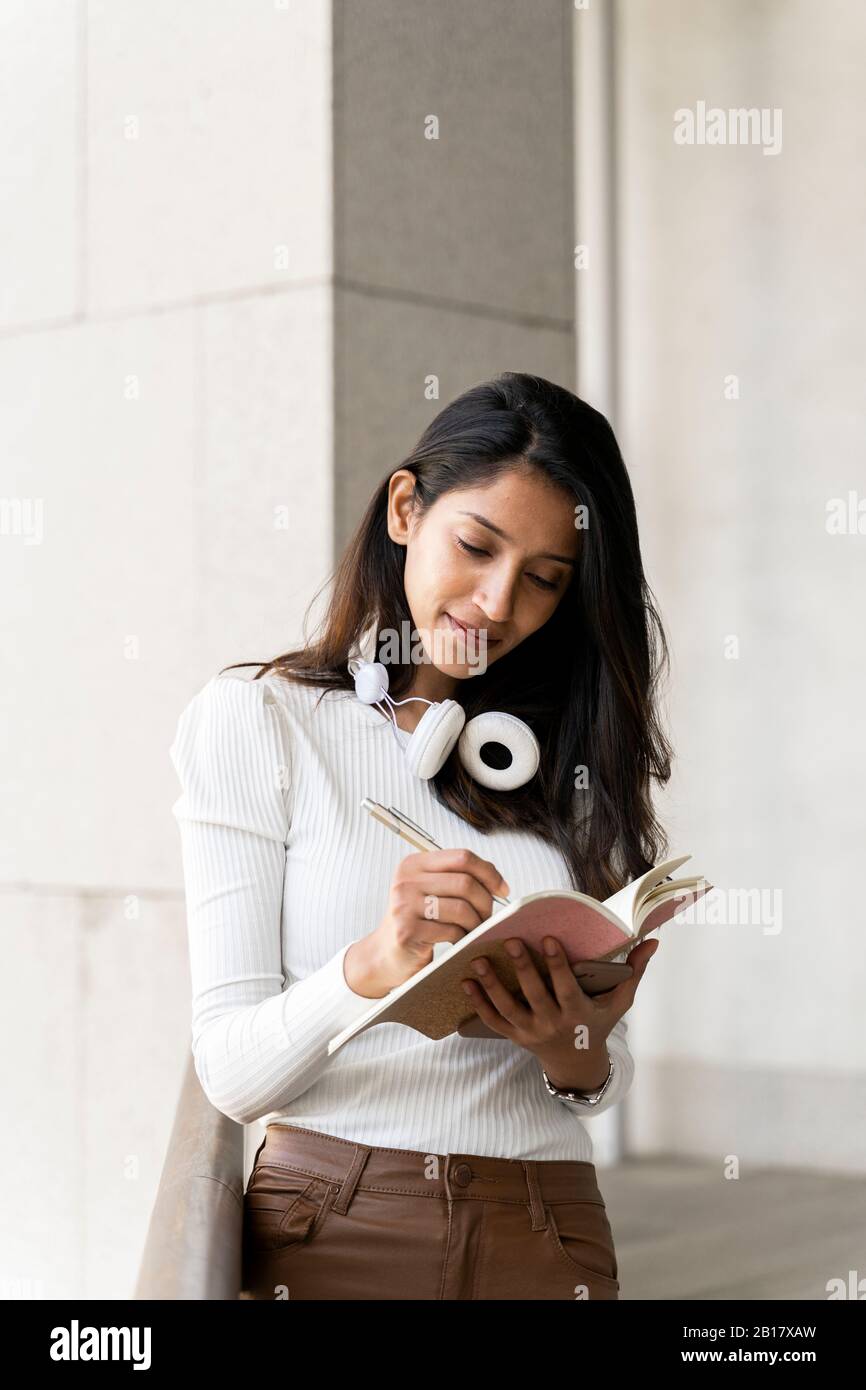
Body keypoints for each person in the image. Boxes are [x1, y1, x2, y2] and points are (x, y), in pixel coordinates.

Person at [169, 371, 673, 1300]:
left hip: (548, 1222)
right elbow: (232, 1074)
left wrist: (573, 1050)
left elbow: (606, 1071)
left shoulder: (555, 762)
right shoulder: (259, 723)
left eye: (544, 580)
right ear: (406, 508)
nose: (494, 602)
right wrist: (374, 964)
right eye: (475, 547)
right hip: (336, 1222)